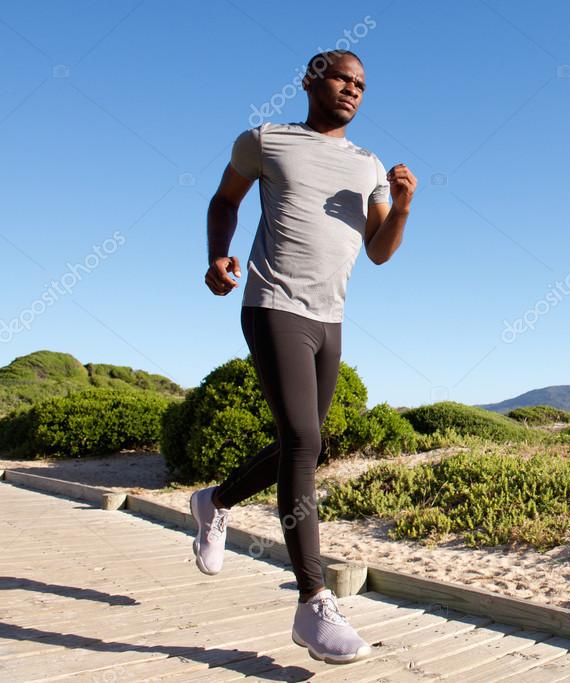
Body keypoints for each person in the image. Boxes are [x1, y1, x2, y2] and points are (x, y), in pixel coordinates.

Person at [190, 48, 416, 665]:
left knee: (306, 443)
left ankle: (216, 501)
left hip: (330, 317)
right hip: (272, 303)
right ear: (312, 80)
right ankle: (313, 602)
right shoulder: (266, 141)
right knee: (301, 441)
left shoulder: (367, 164)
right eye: (342, 78)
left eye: (362, 85)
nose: (352, 90)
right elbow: (224, 201)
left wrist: (400, 207)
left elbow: (379, 252)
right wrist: (218, 254)